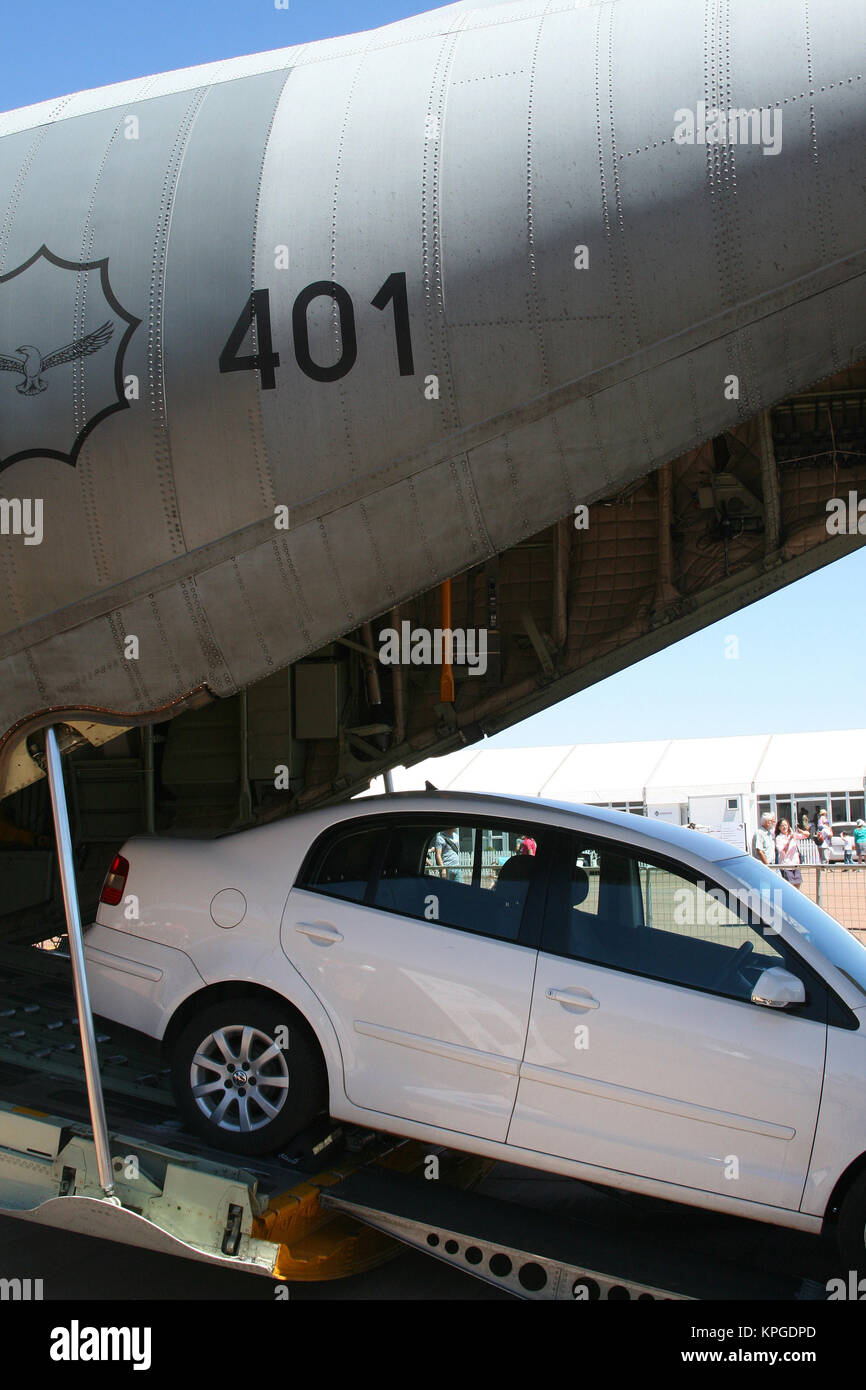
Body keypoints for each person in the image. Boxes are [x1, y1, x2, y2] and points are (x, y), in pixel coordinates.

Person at [775, 818, 803, 888]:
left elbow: (806, 835)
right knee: (789, 886)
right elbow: (783, 851)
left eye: (786, 825)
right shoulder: (779, 838)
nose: (784, 827)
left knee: (798, 884)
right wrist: (789, 840)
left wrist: (801, 831)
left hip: (795, 864)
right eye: (782, 825)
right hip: (786, 865)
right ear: (779, 828)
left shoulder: (792, 835)